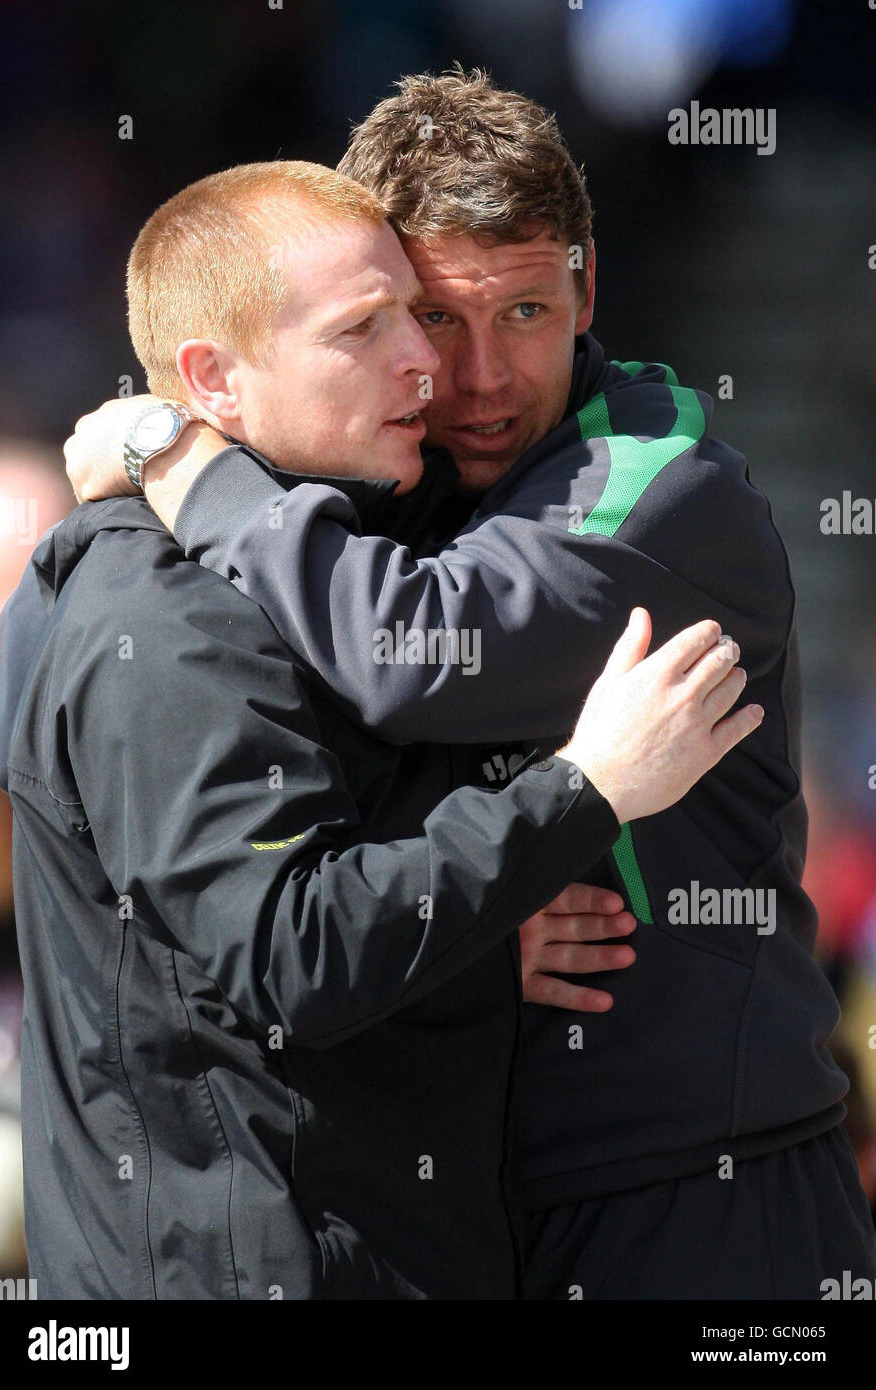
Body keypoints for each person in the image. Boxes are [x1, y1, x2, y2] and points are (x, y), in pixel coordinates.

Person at [68, 69, 876, 1298]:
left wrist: (182, 456)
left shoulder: (652, 478)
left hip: (697, 1186)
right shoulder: (376, 496)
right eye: (441, 322)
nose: (486, 376)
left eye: (529, 313)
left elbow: (405, 652)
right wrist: (475, 946)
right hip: (484, 1195)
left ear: (588, 288)